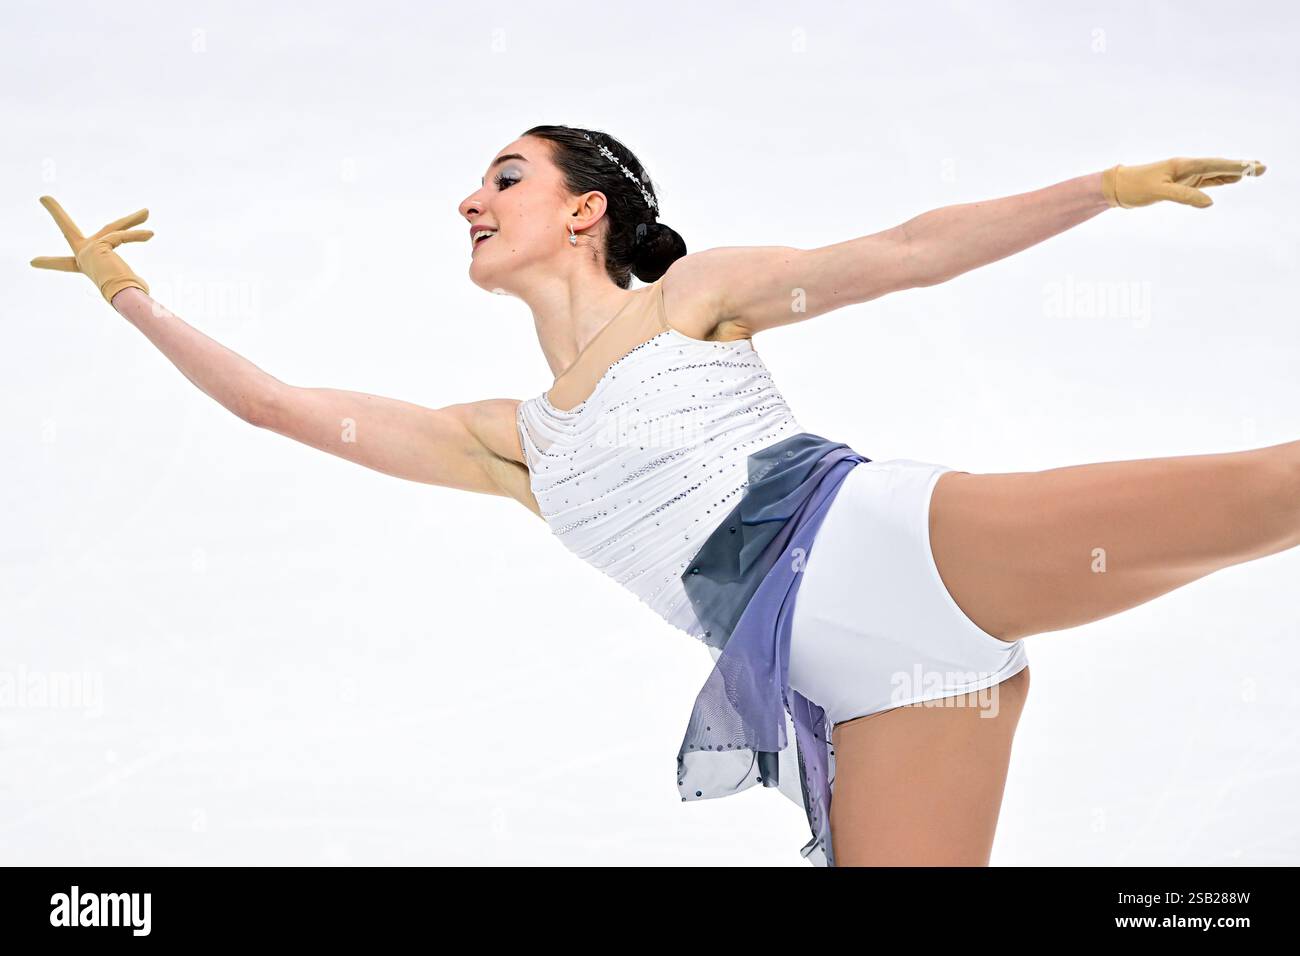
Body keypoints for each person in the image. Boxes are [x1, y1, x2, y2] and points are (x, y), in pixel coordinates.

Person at [32, 127, 1280, 866]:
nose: (471, 199)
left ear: (585, 210)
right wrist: (125, 296)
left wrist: (1098, 189)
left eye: (504, 178)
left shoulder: (691, 302)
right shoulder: (500, 442)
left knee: (1272, 490)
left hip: (908, 549)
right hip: (869, 694)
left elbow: (902, 253)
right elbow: (272, 401)